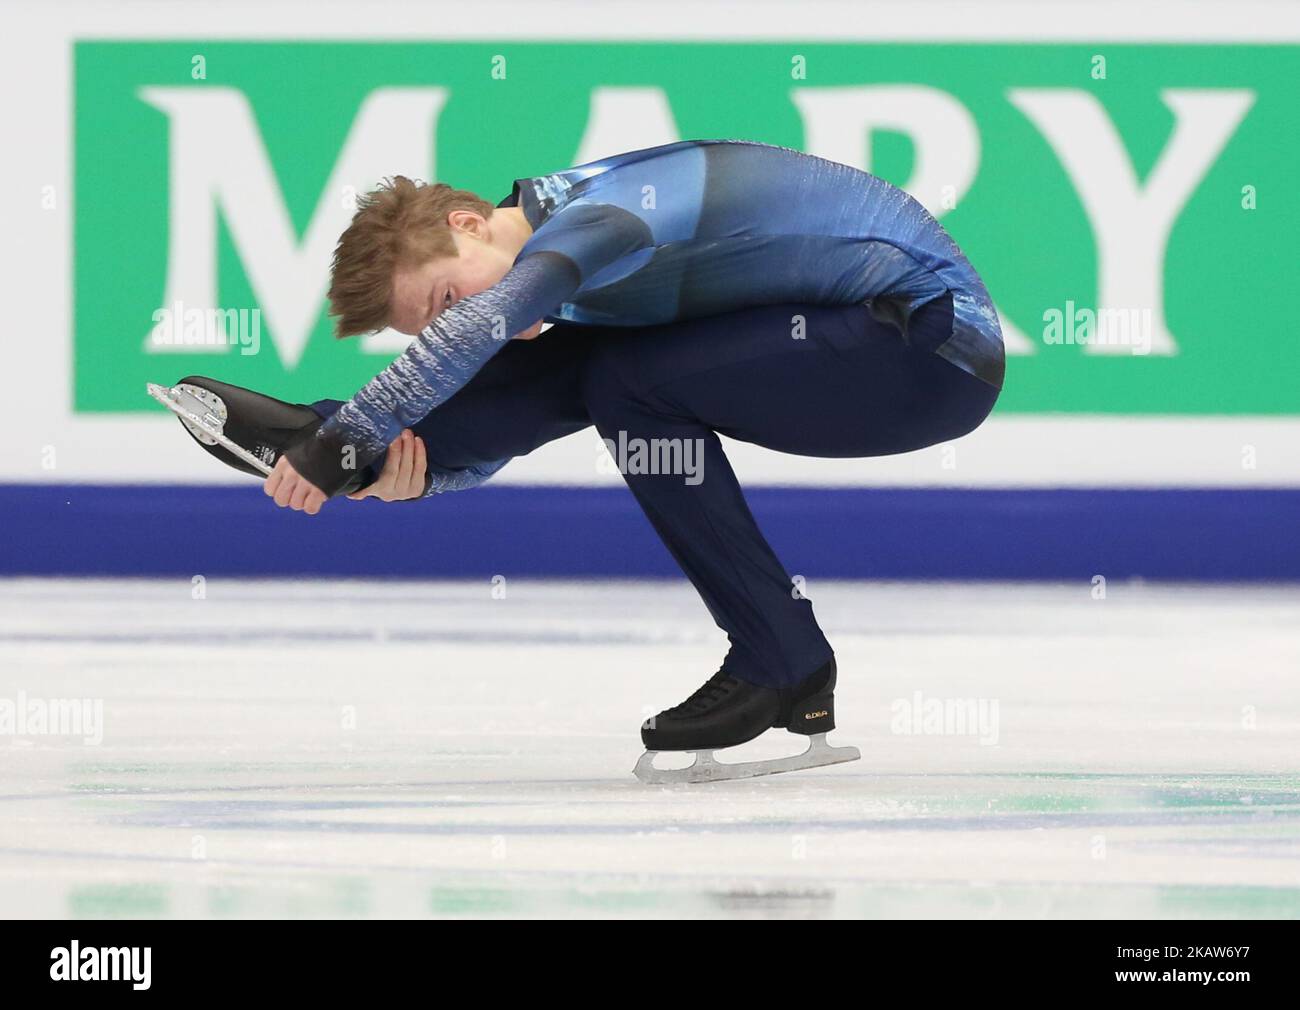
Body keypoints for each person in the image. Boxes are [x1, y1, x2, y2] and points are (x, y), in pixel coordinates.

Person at [174, 139, 1006, 782]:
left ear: (468, 223)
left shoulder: (602, 216)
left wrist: (345, 438)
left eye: (445, 301)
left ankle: (781, 659)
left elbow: (488, 324)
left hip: (929, 348)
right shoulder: (555, 256)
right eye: (430, 325)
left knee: (622, 378)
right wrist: (409, 467)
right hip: (851, 331)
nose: (452, 325)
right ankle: (325, 433)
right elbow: (521, 393)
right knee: (588, 366)